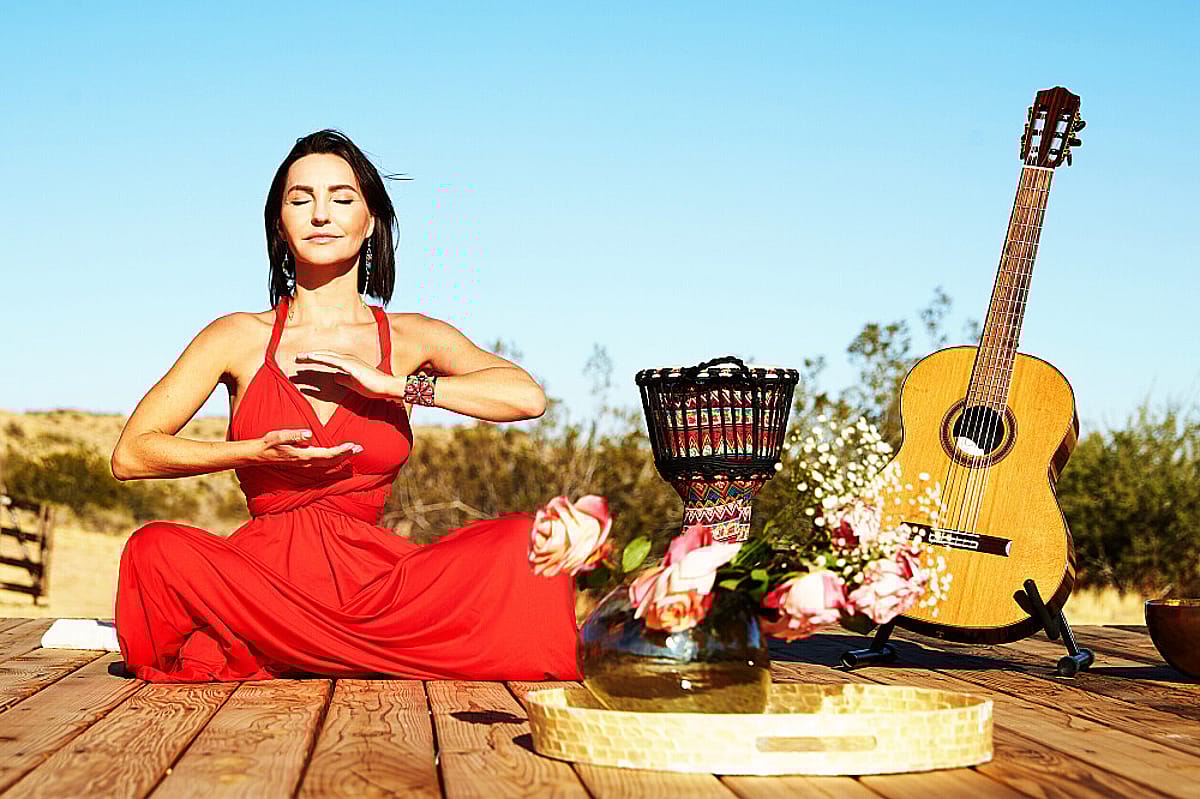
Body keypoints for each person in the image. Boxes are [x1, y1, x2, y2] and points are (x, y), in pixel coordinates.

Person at [111, 130, 580, 682]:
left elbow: (526, 397)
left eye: (341, 197)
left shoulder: (411, 336)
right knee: (154, 547)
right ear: (279, 224)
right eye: (300, 199)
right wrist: (252, 452)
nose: (320, 214)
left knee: (532, 541)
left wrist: (397, 386)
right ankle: (349, 651)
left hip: (376, 587)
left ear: (371, 220)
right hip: (260, 588)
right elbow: (132, 455)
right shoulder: (237, 336)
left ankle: (316, 648)